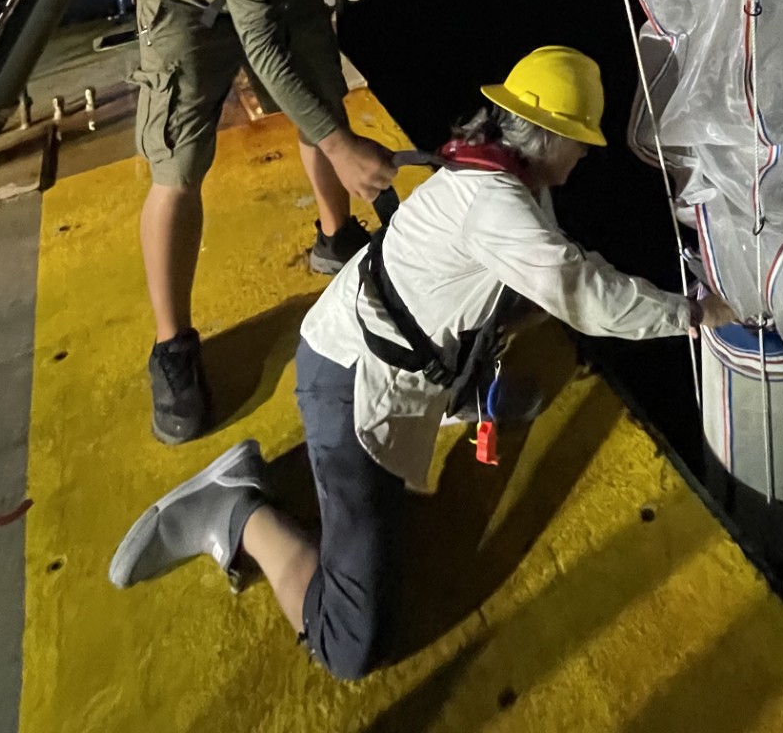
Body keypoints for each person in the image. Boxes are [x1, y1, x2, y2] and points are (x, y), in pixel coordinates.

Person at [109, 46, 737, 680]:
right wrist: (693, 313)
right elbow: (585, 295)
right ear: (546, 138)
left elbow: (541, 272)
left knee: (521, 291)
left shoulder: (493, 171)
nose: (585, 154)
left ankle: (457, 394)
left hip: (369, 335)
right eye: (580, 140)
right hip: (348, 381)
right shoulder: (500, 207)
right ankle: (237, 510)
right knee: (351, 643)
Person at [131, 0, 595, 444]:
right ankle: (171, 347)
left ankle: (333, 237)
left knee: (325, 107)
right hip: (187, 1)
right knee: (180, 166)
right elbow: (260, 43)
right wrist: (341, 147)